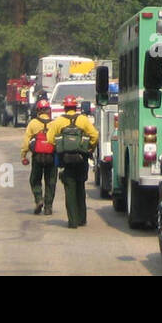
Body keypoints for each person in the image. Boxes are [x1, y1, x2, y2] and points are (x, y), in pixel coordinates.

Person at [45, 96, 99, 229]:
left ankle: (73, 221)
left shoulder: (58, 122)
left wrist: (60, 147)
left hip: (66, 160)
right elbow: (95, 135)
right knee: (80, 187)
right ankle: (82, 218)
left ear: (64, 107)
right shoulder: (83, 120)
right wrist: (89, 147)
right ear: (76, 107)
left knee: (69, 190)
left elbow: (50, 138)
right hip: (81, 159)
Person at [20, 98, 57, 215]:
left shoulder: (33, 123)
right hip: (51, 157)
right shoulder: (54, 123)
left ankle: (39, 199)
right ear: (48, 110)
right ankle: (48, 207)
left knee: (35, 180)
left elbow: (26, 142)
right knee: (50, 181)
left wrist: (24, 156)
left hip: (37, 157)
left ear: (38, 111)